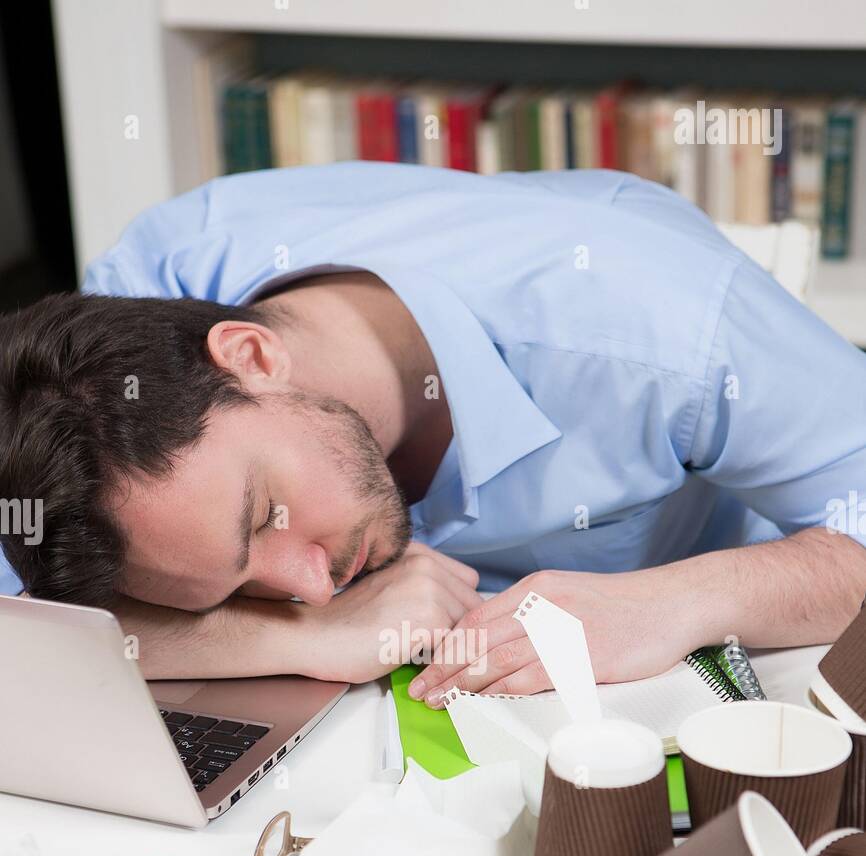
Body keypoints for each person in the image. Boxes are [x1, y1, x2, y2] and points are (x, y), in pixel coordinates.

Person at [1, 161, 865, 704]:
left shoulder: (665, 331)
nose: (309, 584)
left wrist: (677, 602)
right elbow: (20, 623)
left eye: (264, 517)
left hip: (665, 681)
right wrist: (300, 638)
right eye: (235, 584)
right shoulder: (110, 349)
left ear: (254, 357)